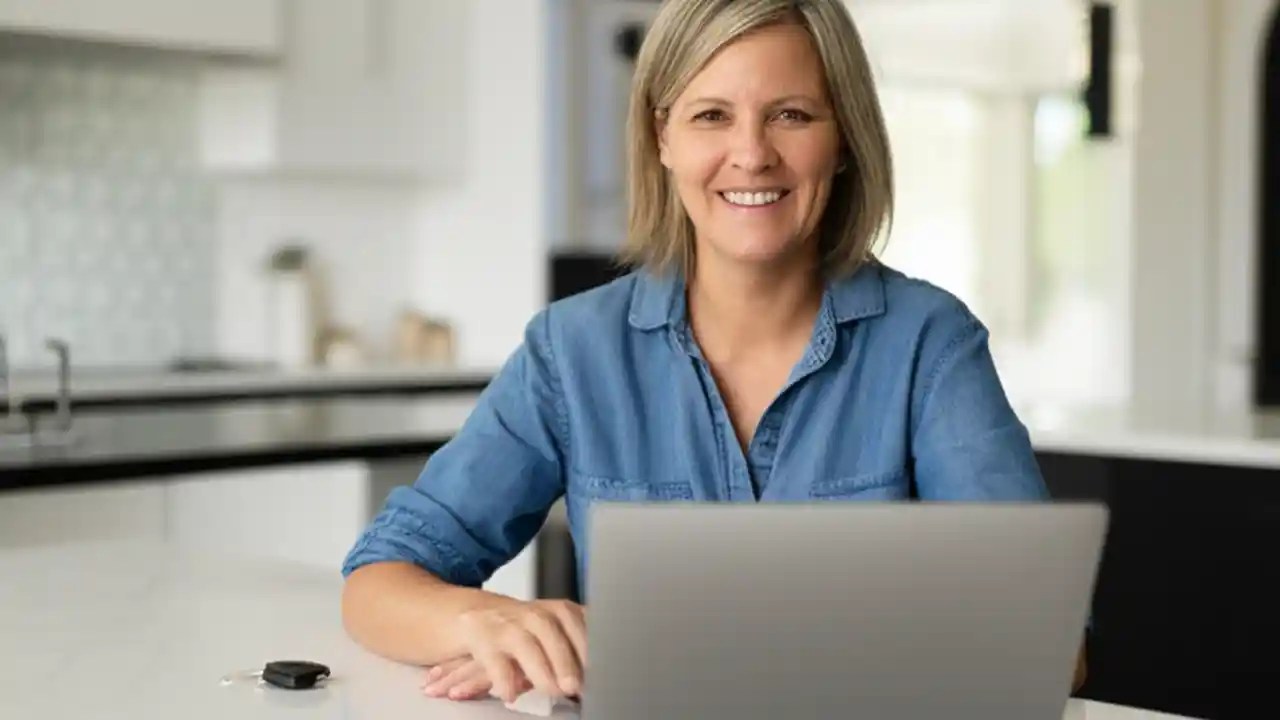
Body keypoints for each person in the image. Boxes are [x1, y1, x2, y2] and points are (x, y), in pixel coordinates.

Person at [341, 0, 1087, 705]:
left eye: (791, 114)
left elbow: (1052, 646)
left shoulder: (929, 344)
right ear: (663, 137)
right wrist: (488, 622)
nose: (752, 154)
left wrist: (715, 651)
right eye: (711, 116)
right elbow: (377, 580)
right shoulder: (571, 351)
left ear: (843, 138)